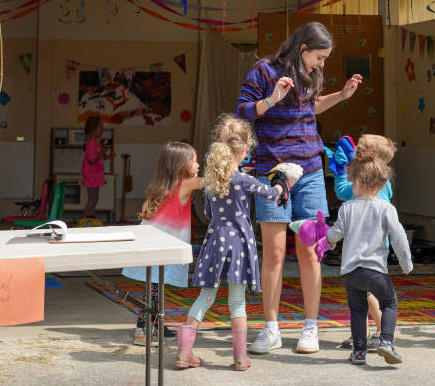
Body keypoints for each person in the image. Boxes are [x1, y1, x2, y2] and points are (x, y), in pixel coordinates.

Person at [235, 21, 362, 355]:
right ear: (303, 48)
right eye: (319, 57)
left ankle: (310, 327)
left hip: (311, 171)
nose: (322, 64)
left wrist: (341, 95)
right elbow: (243, 110)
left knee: (311, 249)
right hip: (273, 171)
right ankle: (271, 327)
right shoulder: (263, 70)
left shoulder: (312, 75)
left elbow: (310, 107)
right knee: (274, 252)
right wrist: (272, 99)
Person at [175, 114, 288, 372]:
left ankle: (183, 354)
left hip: (215, 241)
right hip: (238, 244)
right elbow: (271, 195)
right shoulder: (244, 179)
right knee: (237, 302)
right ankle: (239, 358)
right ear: (244, 150)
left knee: (205, 297)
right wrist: (282, 182)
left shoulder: (212, 181)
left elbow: (206, 211)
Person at [326, 153, 412, 366]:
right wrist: (406, 263)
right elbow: (399, 237)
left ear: (356, 183)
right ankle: (386, 341)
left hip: (352, 272)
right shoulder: (386, 208)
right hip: (376, 270)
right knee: (390, 302)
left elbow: (335, 234)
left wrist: (327, 239)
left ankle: (359, 351)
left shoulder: (347, 207)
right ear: (382, 184)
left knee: (357, 310)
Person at [122, 141, 204, 346]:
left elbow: (145, 212)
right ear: (181, 165)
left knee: (154, 287)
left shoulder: (159, 189)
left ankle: (156, 324)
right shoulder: (185, 185)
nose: (198, 164)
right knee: (153, 290)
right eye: (194, 160)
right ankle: (143, 329)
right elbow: (211, 181)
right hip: (161, 249)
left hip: (151, 246)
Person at [331, 134, 397, 350]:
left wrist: (340, 172)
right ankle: (371, 332)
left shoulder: (364, 184)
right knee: (369, 291)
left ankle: (378, 332)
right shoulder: (382, 183)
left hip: (365, 246)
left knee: (366, 293)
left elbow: (342, 192)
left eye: (359, 150)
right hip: (377, 245)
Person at [81, 116, 107, 219]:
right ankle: (87, 217)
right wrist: (102, 152)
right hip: (91, 176)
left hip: (95, 176)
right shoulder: (91, 143)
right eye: (101, 128)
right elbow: (91, 160)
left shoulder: (95, 143)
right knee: (92, 198)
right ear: (94, 130)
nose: (102, 130)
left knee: (95, 198)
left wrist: (105, 155)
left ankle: (90, 216)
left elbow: (97, 158)